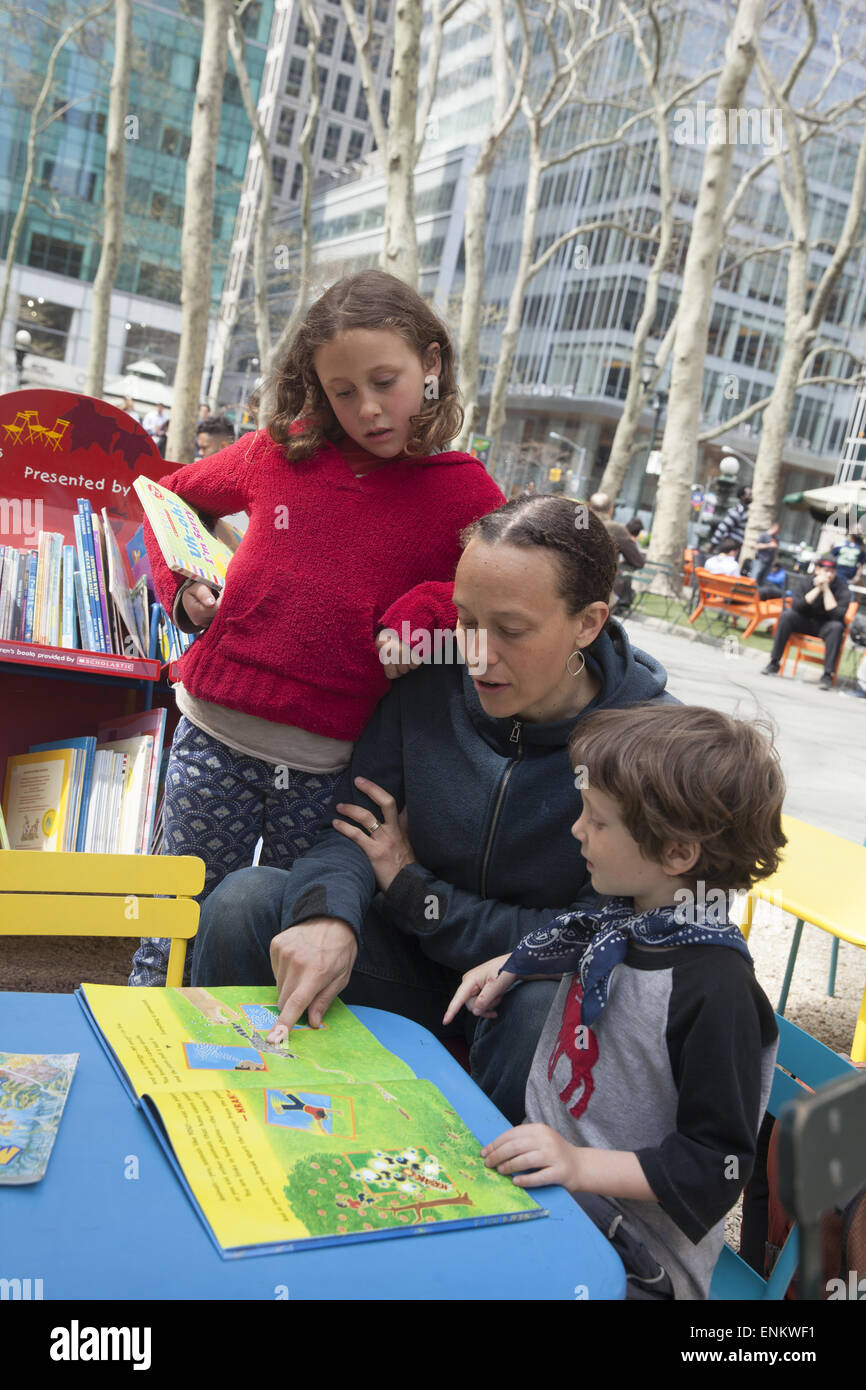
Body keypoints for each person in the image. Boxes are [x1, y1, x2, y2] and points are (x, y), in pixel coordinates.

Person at [189, 496, 677, 1122]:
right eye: (465, 619)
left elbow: (597, 931)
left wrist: (415, 889)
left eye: (511, 630)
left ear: (588, 623)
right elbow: (351, 830)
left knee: (544, 1000)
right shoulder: (430, 677)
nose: (475, 654)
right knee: (244, 901)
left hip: (519, 995)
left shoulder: (651, 743)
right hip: (408, 968)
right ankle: (223, 1122)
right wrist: (330, 917)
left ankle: (490, 1201)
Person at [129, 268, 506, 989]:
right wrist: (181, 585)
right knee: (171, 927)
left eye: (385, 381)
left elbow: (506, 580)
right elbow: (165, 497)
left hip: (335, 765)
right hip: (213, 736)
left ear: (432, 364)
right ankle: (150, 1064)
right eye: (343, 390)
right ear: (317, 388)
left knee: (288, 936)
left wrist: (426, 609)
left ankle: (253, 1077)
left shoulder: (464, 490)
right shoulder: (279, 450)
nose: (367, 408)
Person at [445, 702, 784, 1300]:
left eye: (599, 821)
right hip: (552, 1195)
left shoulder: (716, 993)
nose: (577, 829)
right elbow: (583, 937)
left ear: (678, 853)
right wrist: (514, 962)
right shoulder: (628, 920)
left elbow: (716, 1166)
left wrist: (578, 1165)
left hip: (630, 1259)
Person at [762, 555, 851, 689]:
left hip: (825, 625)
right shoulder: (807, 582)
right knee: (787, 616)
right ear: (817, 570)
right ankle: (774, 662)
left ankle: (827, 675)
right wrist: (817, 588)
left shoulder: (842, 587)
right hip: (804, 621)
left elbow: (838, 615)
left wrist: (826, 589)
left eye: (832, 571)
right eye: (826, 571)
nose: (829, 574)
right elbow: (797, 606)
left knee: (837, 627)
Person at [589, 491, 645, 613]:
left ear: (589, 507)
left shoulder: (576, 524)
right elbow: (638, 561)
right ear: (611, 510)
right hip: (599, 594)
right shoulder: (616, 529)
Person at [710, 485, 752, 553]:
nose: (751, 497)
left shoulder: (745, 511)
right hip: (731, 546)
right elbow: (723, 527)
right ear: (742, 497)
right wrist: (713, 545)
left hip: (736, 546)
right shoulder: (738, 511)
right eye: (749, 494)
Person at [751, 520, 780, 586]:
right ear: (774, 527)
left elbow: (776, 550)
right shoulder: (764, 535)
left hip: (769, 563)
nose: (778, 531)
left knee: (763, 581)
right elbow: (756, 546)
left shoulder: (776, 538)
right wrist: (769, 545)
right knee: (754, 578)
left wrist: (774, 560)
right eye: (777, 529)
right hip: (760, 561)